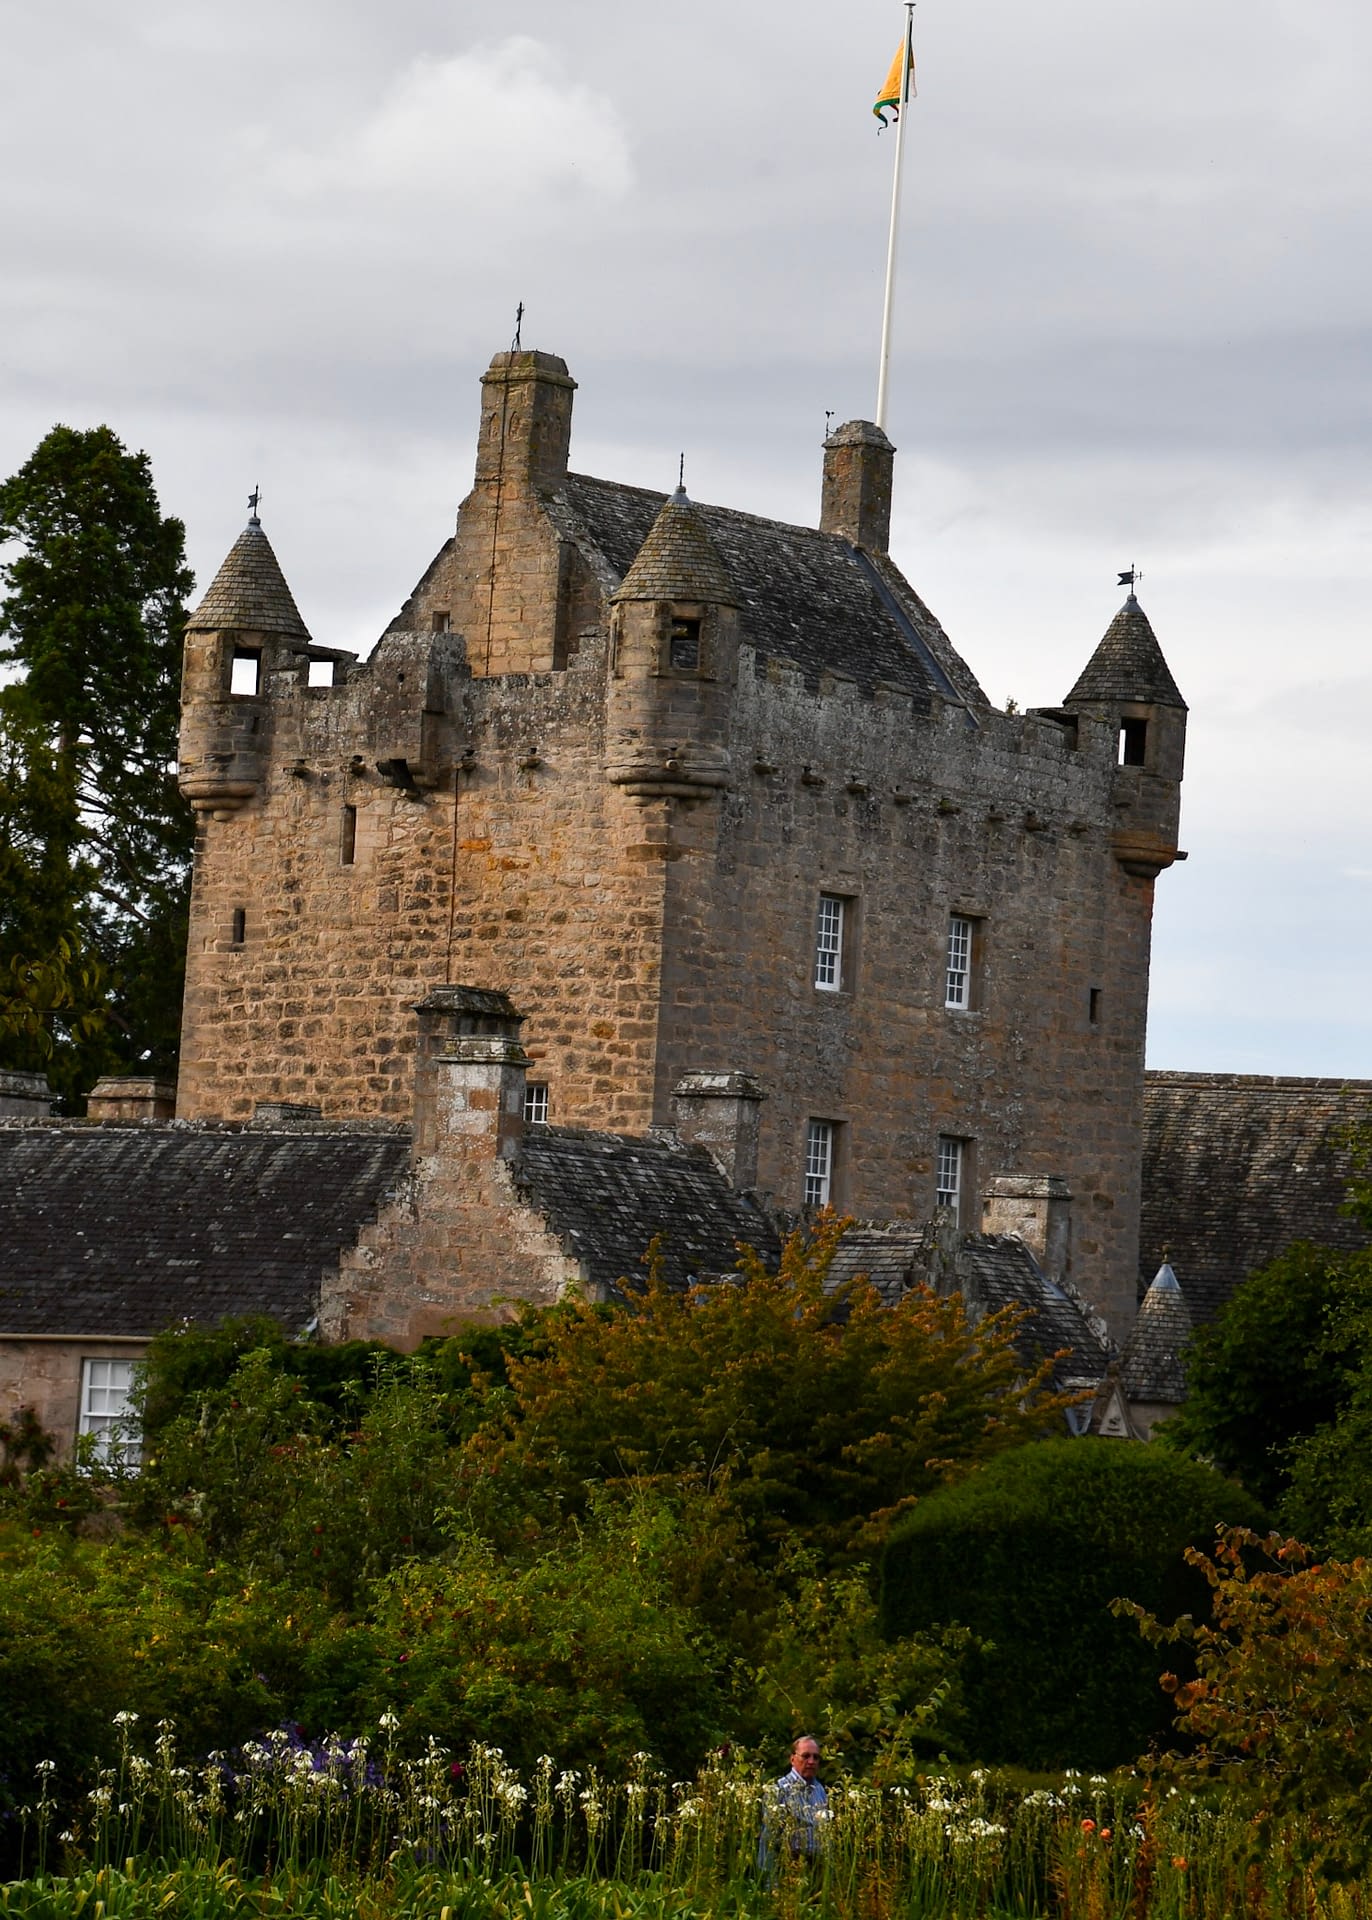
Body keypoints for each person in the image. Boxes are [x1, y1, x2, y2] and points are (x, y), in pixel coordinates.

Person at [758, 1735, 827, 1879]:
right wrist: (770, 1883)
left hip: (816, 1873)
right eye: (806, 1756)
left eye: (816, 1757)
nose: (811, 1761)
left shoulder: (819, 1790)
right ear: (792, 1759)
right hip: (788, 1872)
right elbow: (769, 1840)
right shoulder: (779, 1790)